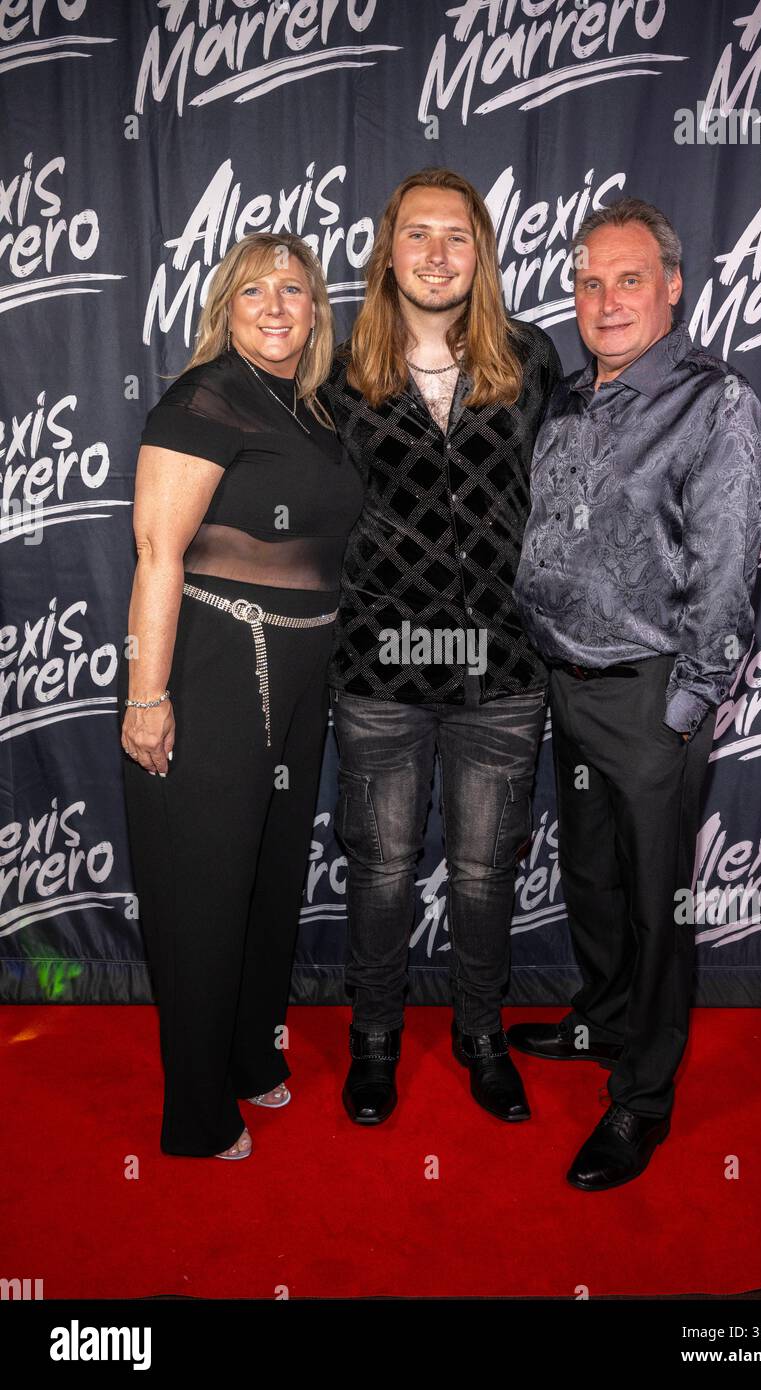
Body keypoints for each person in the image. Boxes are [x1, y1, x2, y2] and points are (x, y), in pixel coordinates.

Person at [509, 197, 761, 1189]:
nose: (604, 298)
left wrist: (685, 703)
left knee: (658, 904)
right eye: (586, 280)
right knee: (592, 876)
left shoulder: (714, 402)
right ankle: (600, 1020)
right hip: (566, 687)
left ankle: (642, 1099)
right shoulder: (567, 401)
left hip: (650, 693)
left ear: (670, 286)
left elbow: (723, 571)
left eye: (626, 278)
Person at [321, 168, 562, 1126]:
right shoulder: (339, 372)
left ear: (482, 253)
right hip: (380, 669)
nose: (434, 253)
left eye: (455, 236)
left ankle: (478, 1035)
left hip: (501, 669)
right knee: (379, 866)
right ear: (387, 252)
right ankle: (374, 1037)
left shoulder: (532, 361)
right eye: (416, 234)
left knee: (483, 868)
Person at [119, 232, 364, 1160]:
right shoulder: (205, 397)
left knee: (268, 883)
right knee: (205, 891)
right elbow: (156, 553)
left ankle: (251, 1055)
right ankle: (194, 1116)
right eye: (254, 289)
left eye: (293, 290)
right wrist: (148, 696)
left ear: (315, 311)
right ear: (226, 305)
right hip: (217, 661)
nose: (275, 305)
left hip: (303, 671)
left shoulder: (314, 410)